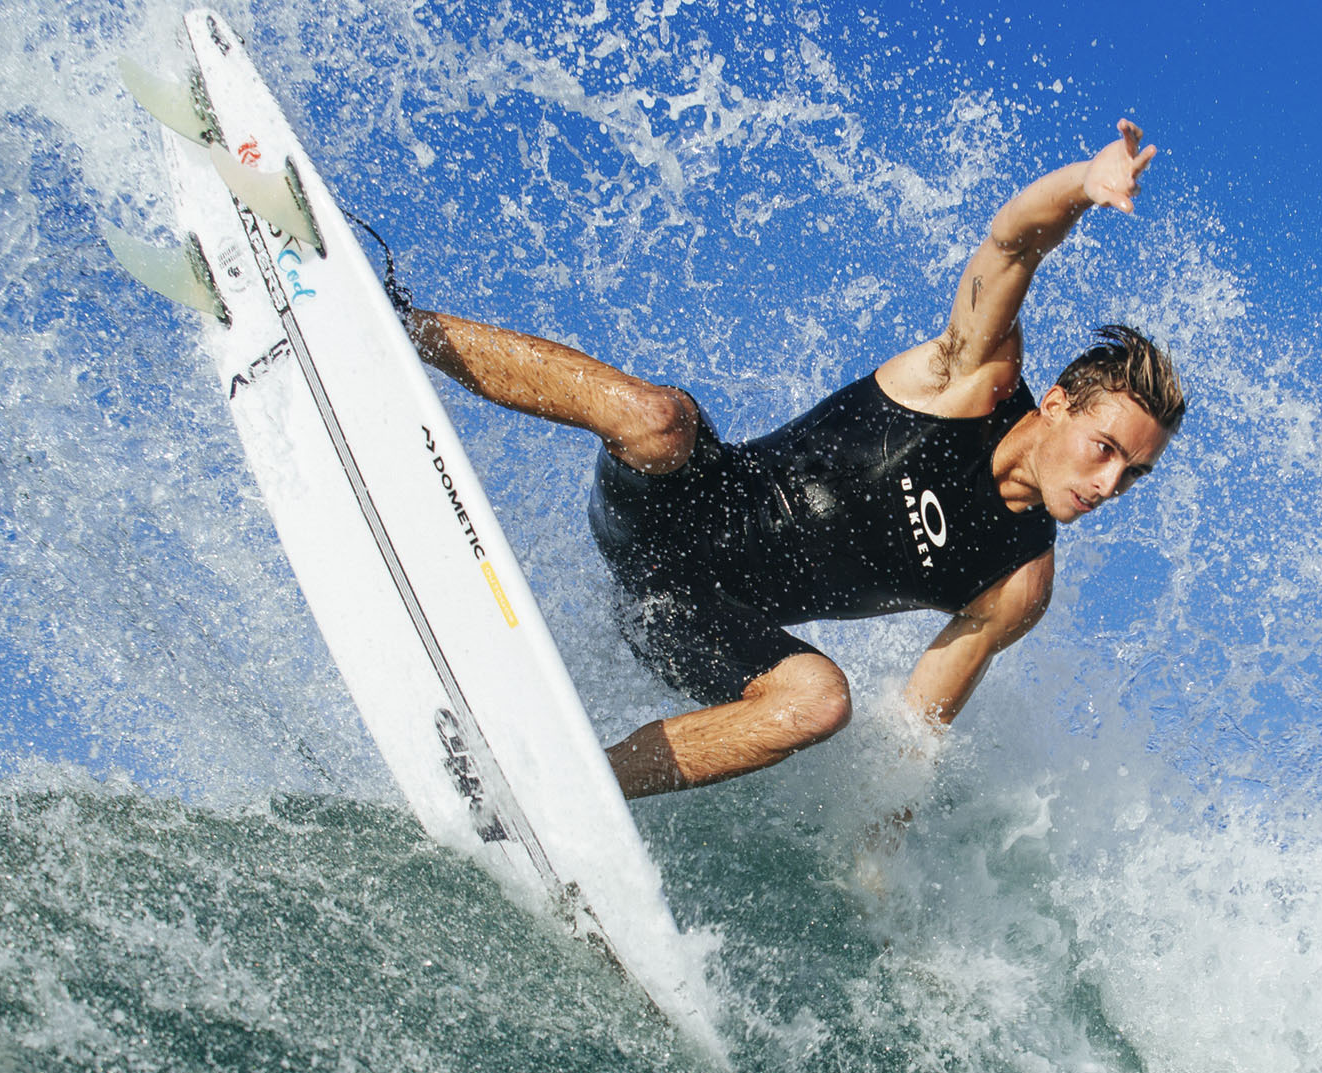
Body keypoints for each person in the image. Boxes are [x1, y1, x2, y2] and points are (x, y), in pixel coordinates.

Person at [402, 119, 1185, 799]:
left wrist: (876, 869)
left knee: (819, 703)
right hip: (671, 512)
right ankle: (405, 328)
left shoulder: (1019, 582)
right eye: (1106, 449)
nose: (1110, 484)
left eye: (1133, 473)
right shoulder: (969, 378)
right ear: (1055, 405)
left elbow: (917, 728)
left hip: (690, 620)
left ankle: (560, 788)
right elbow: (1014, 240)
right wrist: (1086, 183)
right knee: (658, 418)